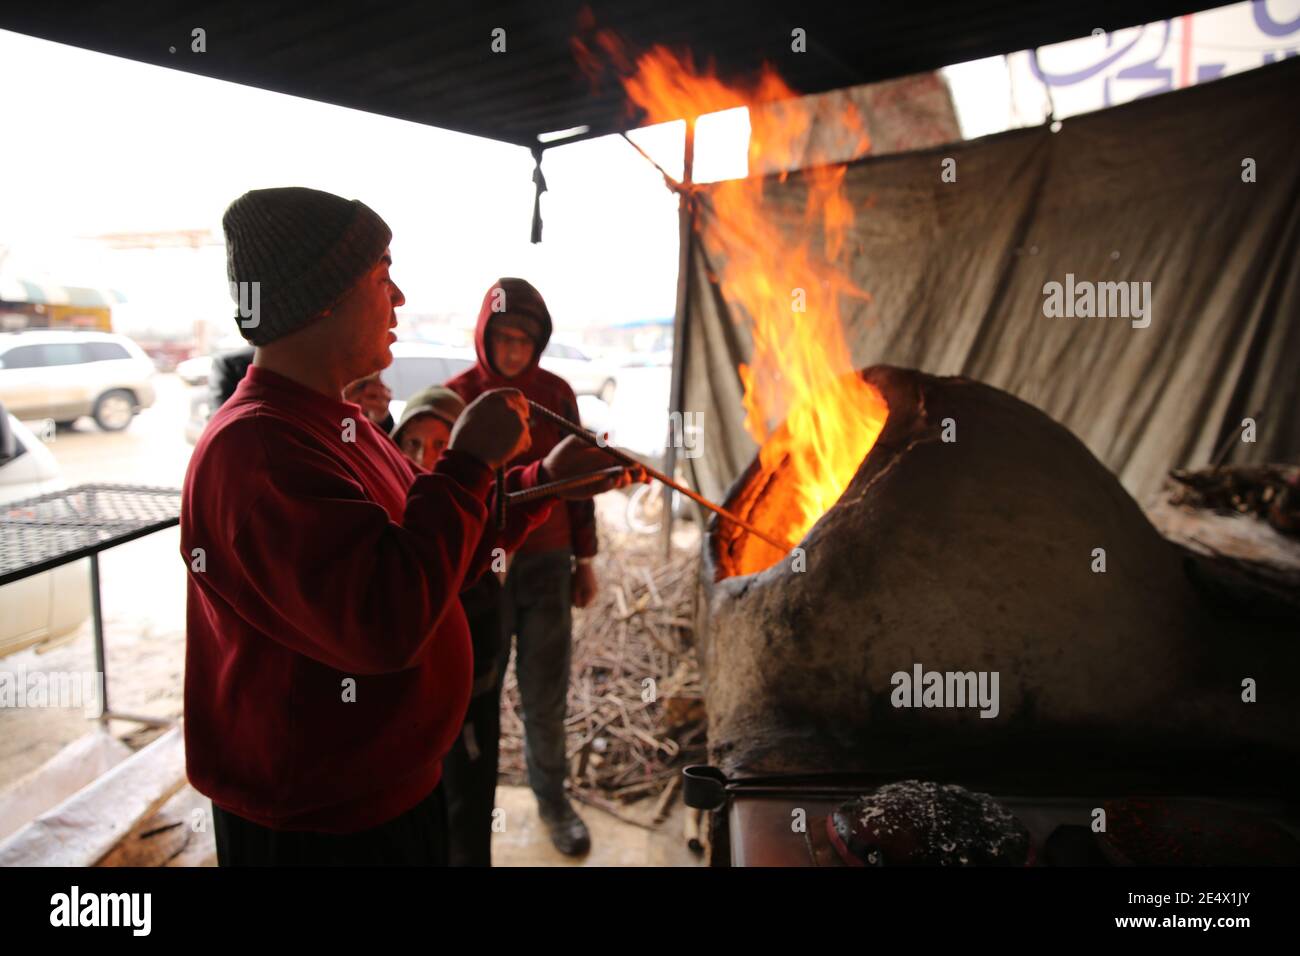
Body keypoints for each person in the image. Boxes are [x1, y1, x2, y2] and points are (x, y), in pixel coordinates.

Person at [181, 187, 627, 866]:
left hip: (391, 792)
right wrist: (471, 457)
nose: (400, 299)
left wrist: (544, 481)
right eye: (381, 275)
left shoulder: (341, 421)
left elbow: (434, 550)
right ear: (320, 297)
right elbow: (385, 620)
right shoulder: (259, 451)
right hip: (319, 828)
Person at [446, 278, 599, 856]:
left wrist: (585, 561)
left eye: (525, 341)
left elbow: (578, 483)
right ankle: (468, 822)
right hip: (481, 575)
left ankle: (553, 803)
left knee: (545, 693)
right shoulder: (458, 396)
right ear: (483, 336)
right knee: (475, 700)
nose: (512, 351)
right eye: (502, 338)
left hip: (547, 564)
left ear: (539, 344)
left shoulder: (556, 395)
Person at [392, 386, 505, 866]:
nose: (424, 459)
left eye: (443, 447)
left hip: (469, 709)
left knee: (468, 800)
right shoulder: (397, 520)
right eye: (412, 444)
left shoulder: (470, 521)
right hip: (411, 720)